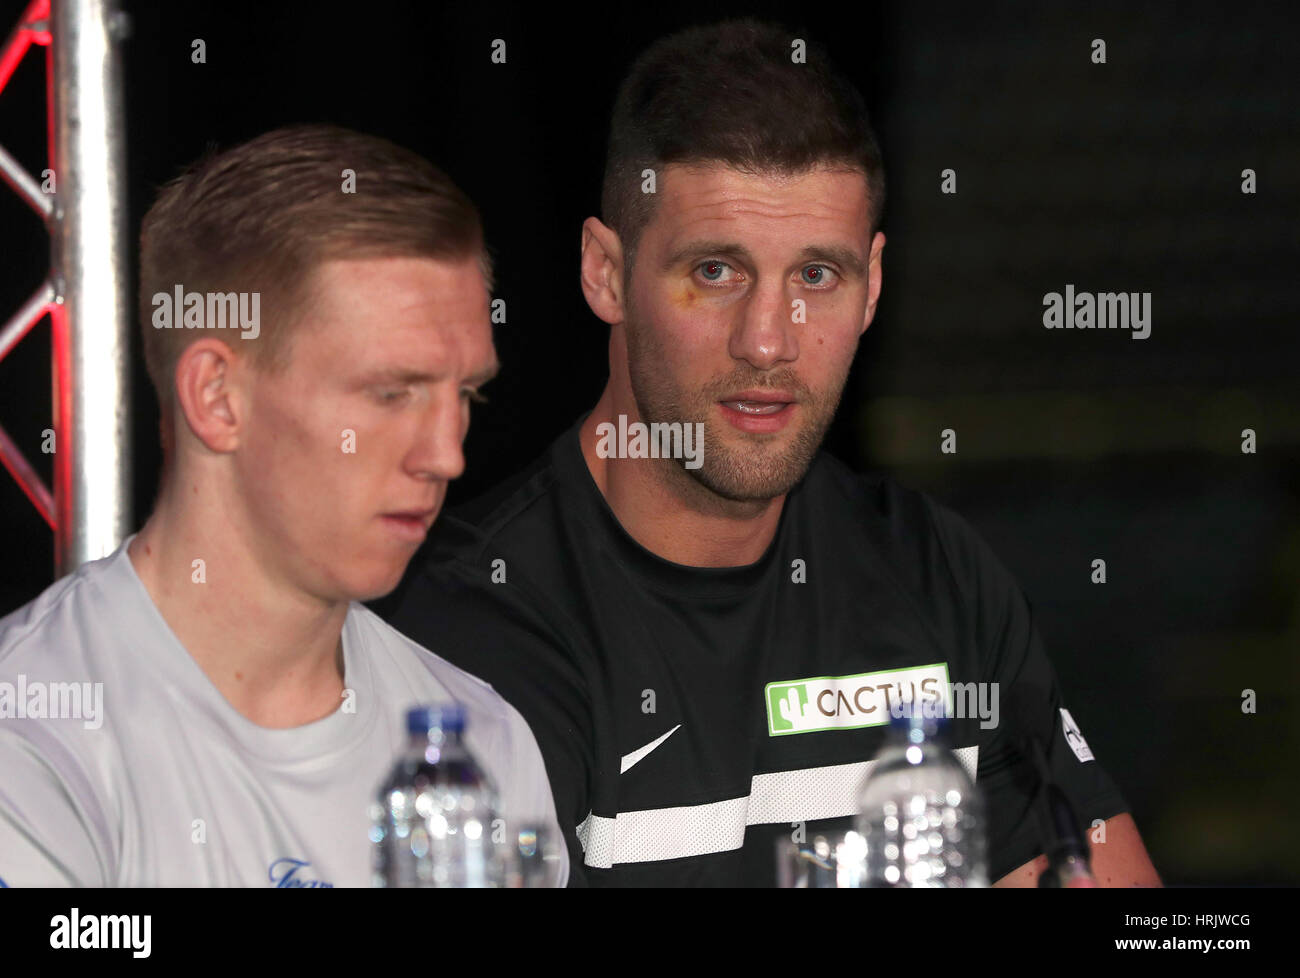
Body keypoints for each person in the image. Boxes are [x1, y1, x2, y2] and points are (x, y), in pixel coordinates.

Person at [381, 20, 1161, 887]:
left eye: (816, 277)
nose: (767, 342)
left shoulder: (934, 573)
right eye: (716, 271)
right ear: (605, 273)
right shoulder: (468, 623)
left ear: (871, 287)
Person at [0, 125, 567, 887]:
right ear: (217, 396)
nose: (446, 454)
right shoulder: (32, 734)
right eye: (391, 392)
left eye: (465, 395)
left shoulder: (480, 743)